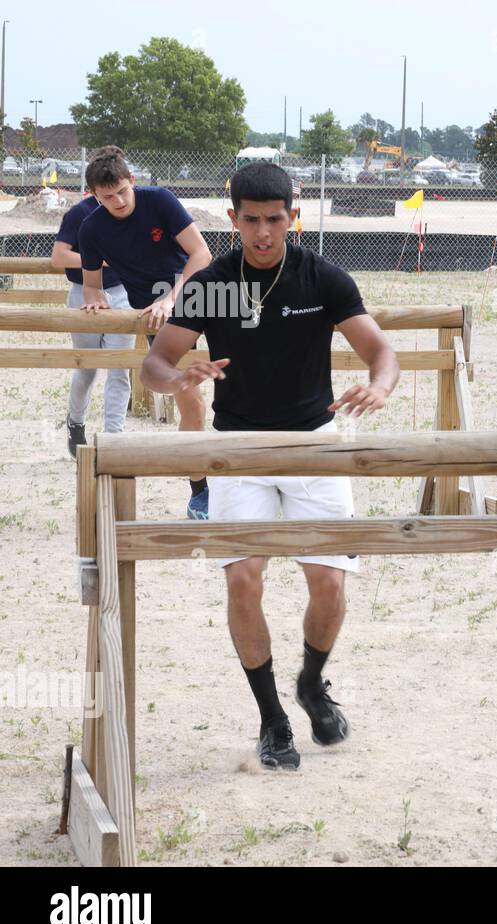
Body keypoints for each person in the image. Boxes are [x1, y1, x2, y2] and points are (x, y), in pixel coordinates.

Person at [142, 162, 399, 770]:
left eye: (274, 220)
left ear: (293, 216)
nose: (262, 232)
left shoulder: (323, 278)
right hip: (238, 450)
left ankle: (311, 684)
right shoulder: (212, 283)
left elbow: (381, 349)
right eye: (251, 220)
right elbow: (154, 362)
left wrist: (381, 387)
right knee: (242, 579)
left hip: (315, 444)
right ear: (231, 219)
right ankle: (271, 719)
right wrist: (178, 377)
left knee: (330, 584)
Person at [76, 147, 214, 519]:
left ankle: (255, 475)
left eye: (122, 191)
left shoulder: (160, 201)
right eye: (107, 197)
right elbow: (91, 285)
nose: (118, 201)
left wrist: (171, 297)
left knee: (240, 391)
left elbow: (202, 254)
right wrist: (95, 301)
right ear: (94, 196)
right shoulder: (92, 229)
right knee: (193, 401)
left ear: (132, 181)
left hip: (201, 294)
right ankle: (200, 490)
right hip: (162, 319)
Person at [49, 146, 133, 457]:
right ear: (94, 187)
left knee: (119, 368)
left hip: (123, 293)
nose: (115, 198)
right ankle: (76, 422)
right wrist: (99, 260)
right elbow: (59, 256)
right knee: (86, 368)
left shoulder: (132, 211)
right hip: (82, 292)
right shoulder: (80, 213)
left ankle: (114, 438)